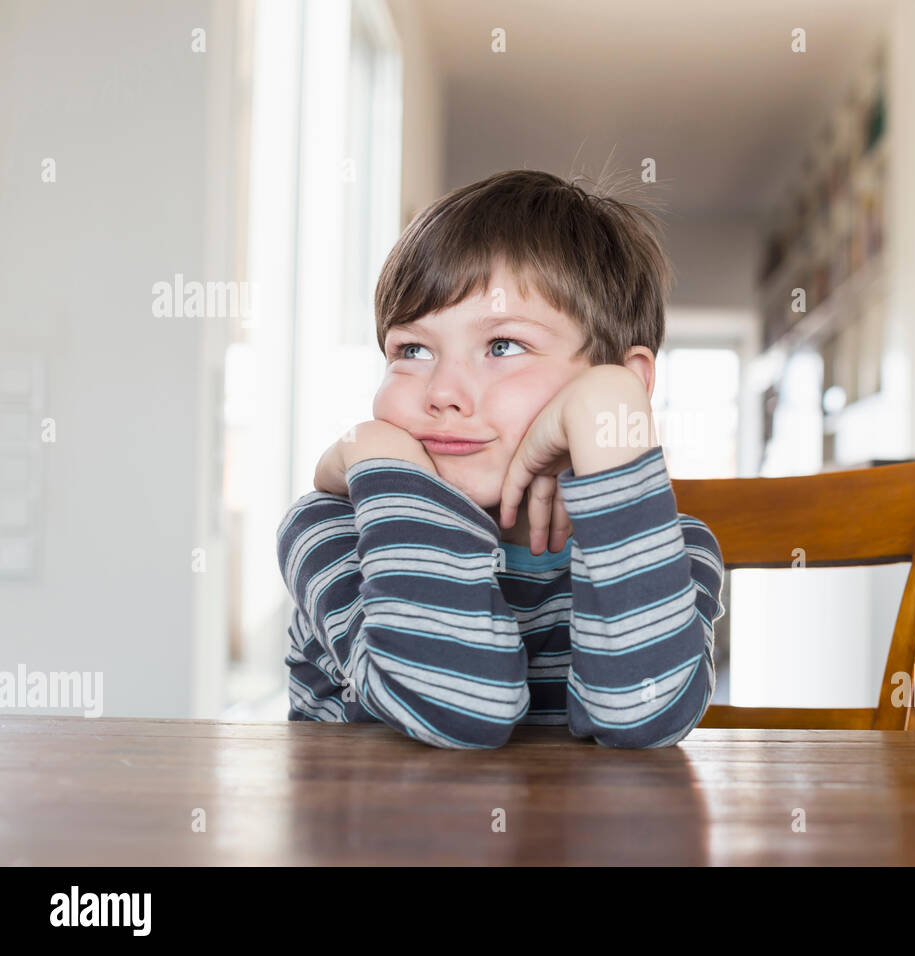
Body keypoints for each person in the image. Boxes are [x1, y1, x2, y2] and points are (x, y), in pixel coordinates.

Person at [275, 169, 725, 749]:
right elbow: (461, 704)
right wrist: (381, 456)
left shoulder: (676, 549)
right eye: (411, 349)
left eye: (503, 346)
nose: (443, 392)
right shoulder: (333, 531)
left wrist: (612, 408)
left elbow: (644, 718)